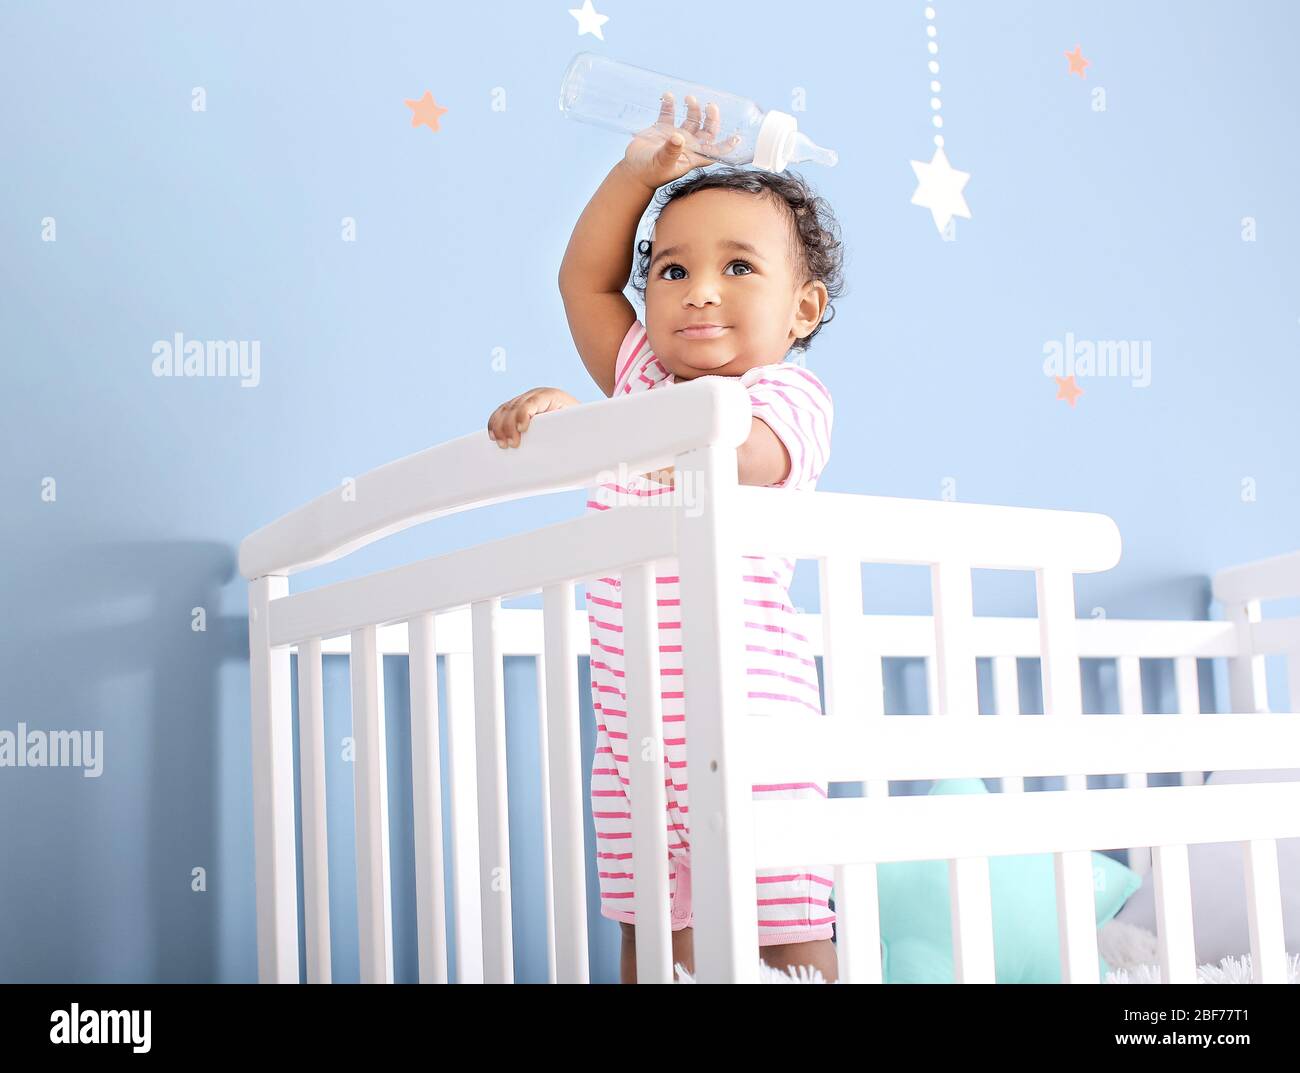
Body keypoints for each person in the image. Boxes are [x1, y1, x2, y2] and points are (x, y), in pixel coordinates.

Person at [486, 92, 846, 983]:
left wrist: (599, 430)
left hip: (751, 720)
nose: (701, 291)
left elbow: (744, 460)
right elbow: (582, 282)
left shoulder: (780, 394)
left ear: (802, 307)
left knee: (787, 931)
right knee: (653, 937)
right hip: (632, 729)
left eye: (738, 268)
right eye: (673, 272)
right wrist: (633, 175)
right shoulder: (643, 376)